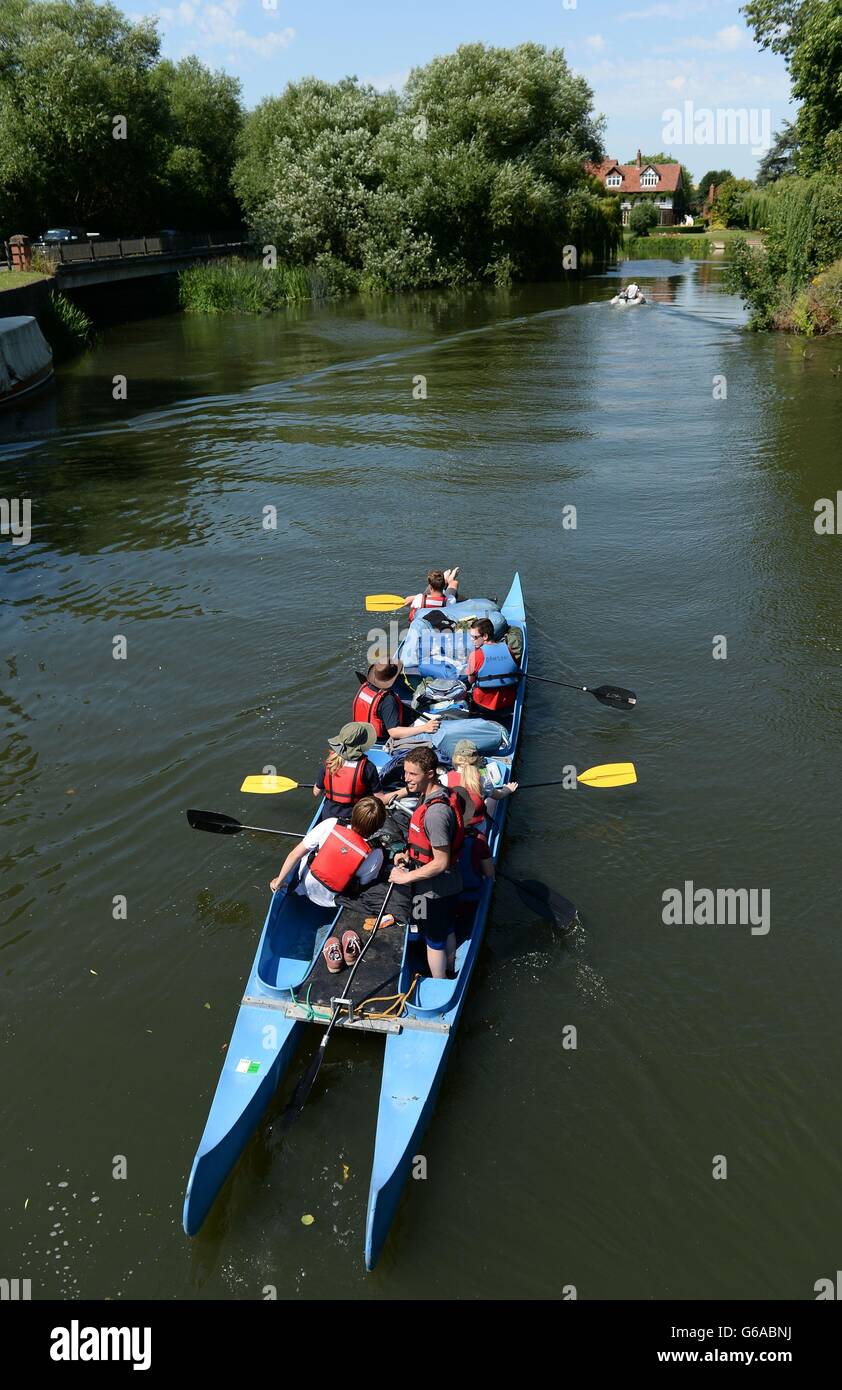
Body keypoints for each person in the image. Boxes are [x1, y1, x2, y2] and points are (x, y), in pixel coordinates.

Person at [269, 797, 387, 970]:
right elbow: (362, 883)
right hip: (334, 900)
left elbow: (294, 855)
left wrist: (279, 882)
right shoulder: (376, 854)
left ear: (353, 814)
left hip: (304, 887)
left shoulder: (331, 824)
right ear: (377, 828)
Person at [388, 747, 464, 979]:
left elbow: (440, 862)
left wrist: (405, 877)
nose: (406, 778)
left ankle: (439, 982)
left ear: (430, 774)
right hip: (442, 886)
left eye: (413, 774)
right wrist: (407, 856)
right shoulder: (434, 793)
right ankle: (450, 967)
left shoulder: (435, 814)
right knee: (445, 929)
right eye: (405, 772)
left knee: (434, 941)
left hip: (436, 891)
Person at [444, 739, 518, 883]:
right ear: (476, 760)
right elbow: (498, 795)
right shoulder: (483, 779)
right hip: (477, 830)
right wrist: (508, 789)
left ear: (456, 759)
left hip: (452, 830)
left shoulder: (444, 780)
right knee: (489, 800)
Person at [353, 660, 439, 742]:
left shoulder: (366, 687)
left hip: (366, 734)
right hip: (383, 739)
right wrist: (424, 728)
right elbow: (394, 732)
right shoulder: (388, 700)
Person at [313, 721, 380, 822]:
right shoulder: (368, 767)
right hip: (356, 818)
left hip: (329, 817)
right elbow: (381, 799)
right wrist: (405, 791)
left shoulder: (329, 763)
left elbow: (316, 792)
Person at [466, 618, 520, 715]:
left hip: (483, 706)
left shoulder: (474, 655)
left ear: (485, 636)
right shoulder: (508, 649)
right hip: (508, 704)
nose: (471, 640)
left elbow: (471, 681)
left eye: (474, 637)